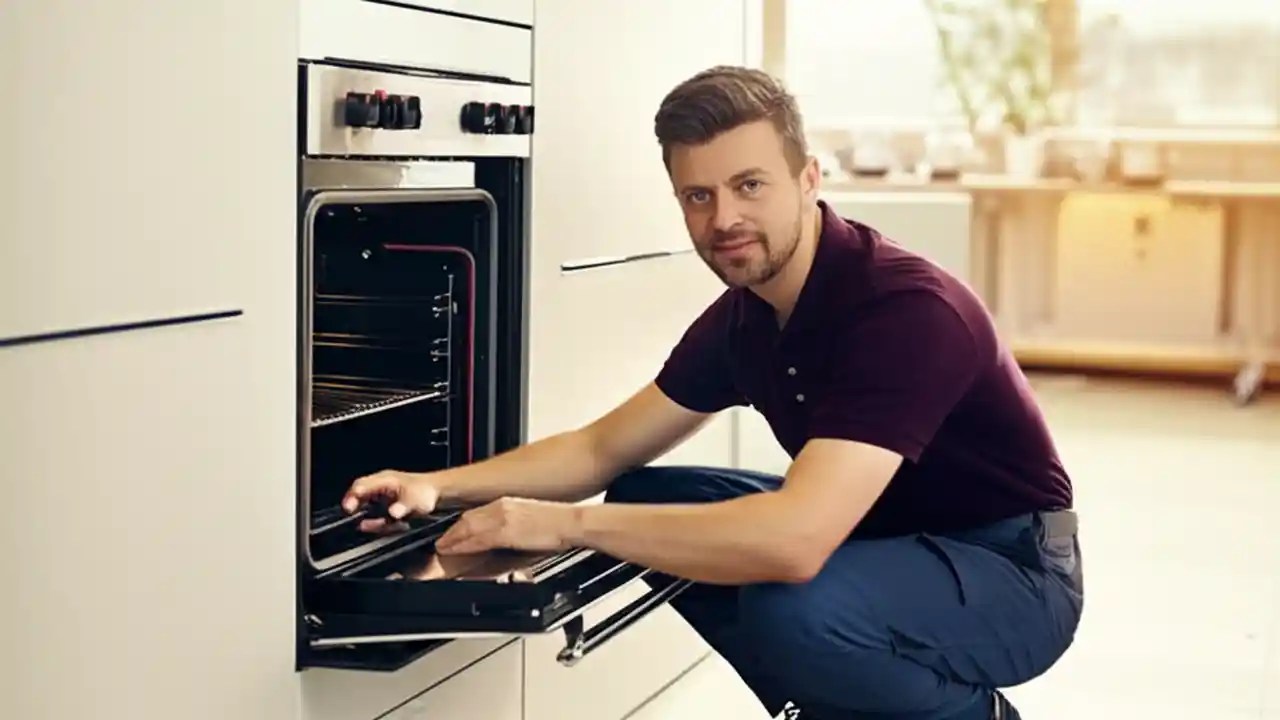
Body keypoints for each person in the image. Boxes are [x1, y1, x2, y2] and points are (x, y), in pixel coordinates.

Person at [342, 66, 1083, 720]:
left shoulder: (905, 311)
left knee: (792, 604)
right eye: (698, 195)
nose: (722, 218)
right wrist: (435, 486)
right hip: (882, 538)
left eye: (749, 186)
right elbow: (601, 449)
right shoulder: (747, 318)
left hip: (1012, 572)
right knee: (645, 498)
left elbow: (796, 542)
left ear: (809, 180)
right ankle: (834, 706)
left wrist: (565, 526)